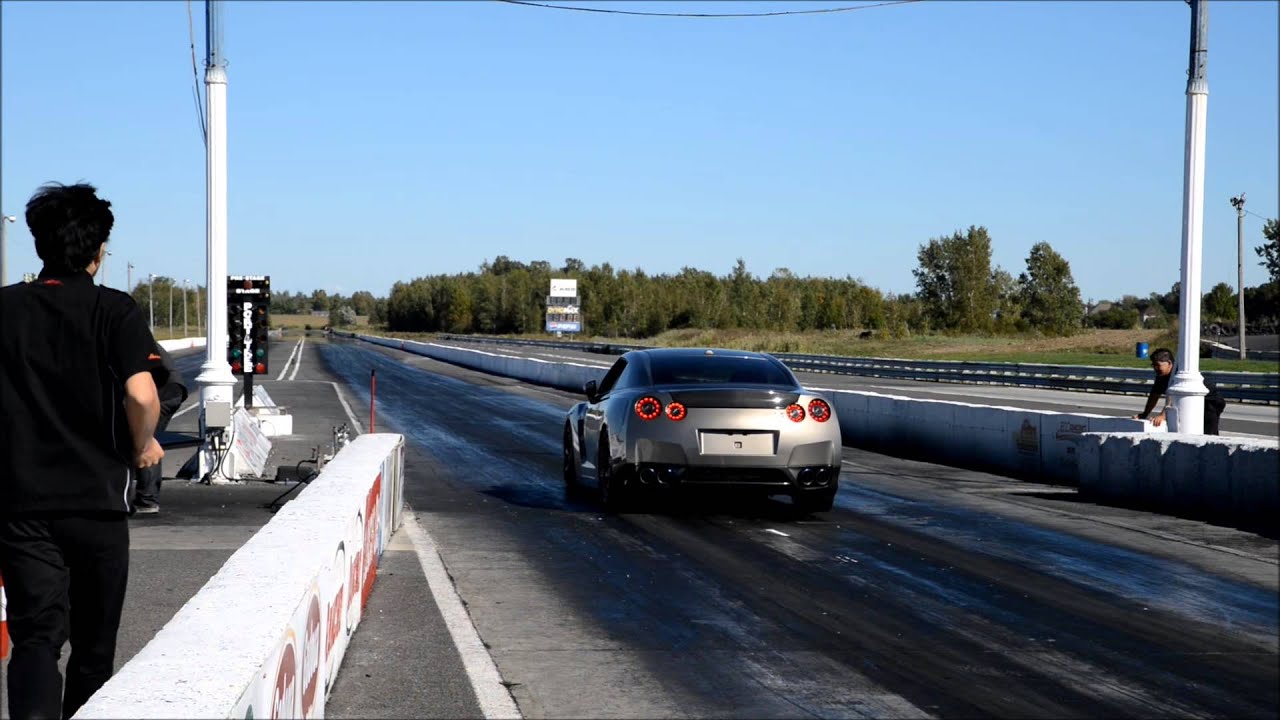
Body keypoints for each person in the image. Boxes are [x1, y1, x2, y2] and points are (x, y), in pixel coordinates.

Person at [0, 182, 167, 720]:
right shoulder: (114, 311)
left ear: (38, 244)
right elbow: (142, 394)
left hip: (21, 507)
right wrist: (141, 447)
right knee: (94, 651)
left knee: (34, 641)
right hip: (97, 505)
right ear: (99, 252)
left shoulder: (5, 308)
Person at [131, 342, 188, 514]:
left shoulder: (125, 339)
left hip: (163, 394)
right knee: (145, 439)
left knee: (143, 440)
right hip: (169, 390)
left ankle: (147, 499)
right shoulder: (132, 334)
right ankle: (145, 496)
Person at [1133, 346, 1226, 434]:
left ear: (1169, 363)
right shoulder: (1161, 376)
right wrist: (1145, 413)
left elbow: (1173, 397)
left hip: (1210, 401)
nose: (1155, 368)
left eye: (1157, 365)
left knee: (1206, 430)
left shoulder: (1179, 373)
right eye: (1153, 365)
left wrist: (1162, 415)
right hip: (1191, 401)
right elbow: (1154, 395)